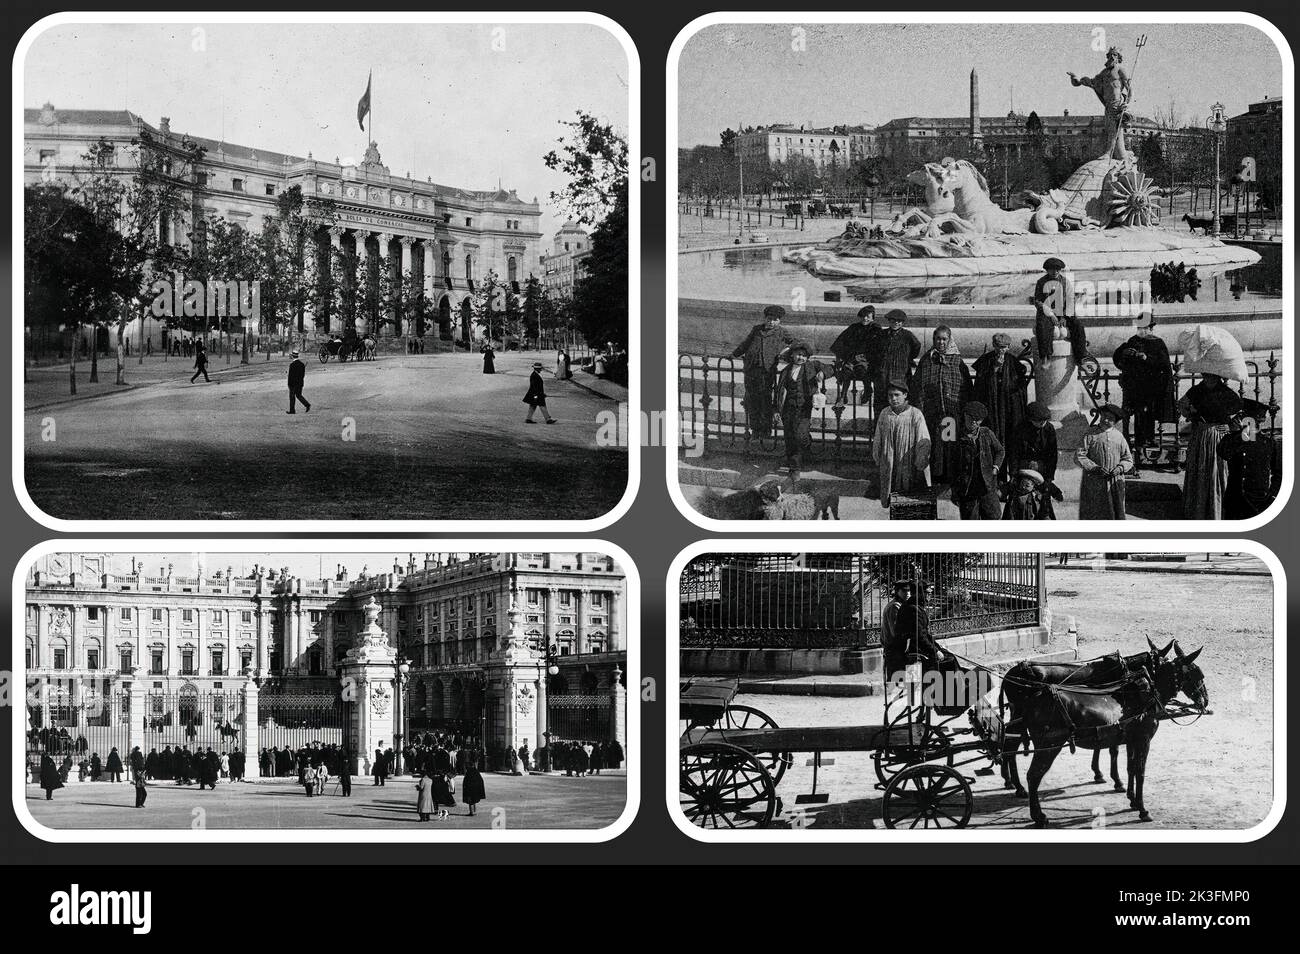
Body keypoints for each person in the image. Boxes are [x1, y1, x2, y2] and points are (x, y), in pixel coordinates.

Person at [912, 324, 971, 484]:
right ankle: (935, 476)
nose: (941, 342)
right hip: (931, 410)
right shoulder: (927, 359)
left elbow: (964, 384)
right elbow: (919, 383)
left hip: (950, 411)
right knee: (934, 443)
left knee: (949, 441)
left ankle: (949, 476)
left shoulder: (956, 360)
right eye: (938, 338)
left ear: (949, 339)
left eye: (944, 339)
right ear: (934, 339)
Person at [1179, 372, 1243, 519]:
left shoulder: (1227, 393)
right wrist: (1191, 414)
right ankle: (1199, 512)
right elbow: (1182, 405)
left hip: (1218, 438)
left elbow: (1239, 415)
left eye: (1211, 375)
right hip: (1201, 435)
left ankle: (1217, 511)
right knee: (1200, 470)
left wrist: (1229, 426)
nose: (1208, 377)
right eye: (1205, 374)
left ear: (1218, 375)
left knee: (1216, 471)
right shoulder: (1196, 390)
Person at [1113, 315, 1175, 465]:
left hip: (1153, 388)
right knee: (1139, 415)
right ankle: (1139, 447)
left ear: (1151, 328)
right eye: (1139, 328)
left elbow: (1164, 364)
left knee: (1149, 414)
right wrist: (1124, 353)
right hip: (1135, 387)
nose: (1141, 331)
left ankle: (1149, 440)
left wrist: (1147, 358)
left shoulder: (1158, 343)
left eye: (1145, 328)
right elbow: (1119, 359)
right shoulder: (1133, 341)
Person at [730, 304, 793, 437]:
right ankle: (755, 429)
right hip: (751, 370)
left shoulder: (782, 332)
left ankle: (765, 430)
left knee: (764, 400)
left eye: (775, 319)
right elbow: (745, 344)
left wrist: (786, 352)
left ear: (779, 321)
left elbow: (794, 343)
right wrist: (734, 354)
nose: (771, 322)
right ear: (765, 318)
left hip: (766, 371)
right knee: (751, 399)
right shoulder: (757, 329)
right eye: (769, 318)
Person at [971, 333, 1030, 475]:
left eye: (1004, 347)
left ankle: (1012, 480)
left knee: (1011, 444)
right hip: (991, 410)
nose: (1000, 350)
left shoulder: (1014, 364)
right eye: (998, 347)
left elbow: (1020, 389)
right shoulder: (985, 362)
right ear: (993, 345)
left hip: (1008, 412)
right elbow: (979, 387)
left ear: (1008, 347)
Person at [1217, 399, 1282, 520]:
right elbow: (1223, 452)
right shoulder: (1235, 439)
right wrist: (1236, 434)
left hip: (1259, 503)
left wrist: (1272, 497)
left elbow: (1279, 474)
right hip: (1235, 502)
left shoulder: (1269, 443)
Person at [872, 380, 931, 507]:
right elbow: (878, 437)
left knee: (908, 497)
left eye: (897, 395)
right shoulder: (885, 413)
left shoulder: (915, 414)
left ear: (905, 395)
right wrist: (877, 455)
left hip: (908, 462)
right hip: (889, 462)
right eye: (890, 395)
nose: (893, 398)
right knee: (892, 495)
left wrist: (920, 460)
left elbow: (923, 439)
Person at [773, 342, 826, 479]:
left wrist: (822, 373)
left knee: (800, 436)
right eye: (798, 355)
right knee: (790, 437)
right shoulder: (786, 371)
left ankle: (806, 445)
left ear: (807, 357)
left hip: (803, 408)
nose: (800, 358)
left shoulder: (812, 366)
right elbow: (779, 391)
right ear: (792, 355)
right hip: (788, 408)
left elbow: (829, 368)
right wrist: (776, 410)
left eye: (803, 356)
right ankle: (794, 467)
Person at [1077, 404, 1135, 519]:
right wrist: (1094, 468)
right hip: (1094, 480)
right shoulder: (1090, 434)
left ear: (1116, 422)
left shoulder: (1119, 437)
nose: (1106, 420)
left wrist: (1120, 468)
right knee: (1095, 510)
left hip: (1114, 481)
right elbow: (1079, 456)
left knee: (1114, 510)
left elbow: (1128, 459)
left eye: (1110, 419)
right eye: (1104, 417)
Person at [950, 401, 1005, 520]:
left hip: (987, 486)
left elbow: (1000, 451)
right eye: (970, 418)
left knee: (993, 516)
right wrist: (955, 491)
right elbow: (953, 467)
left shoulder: (987, 433)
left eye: (977, 420)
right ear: (964, 416)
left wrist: (996, 467)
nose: (973, 422)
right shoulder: (957, 438)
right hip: (968, 489)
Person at [1032, 258, 1088, 364]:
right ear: (1047, 270)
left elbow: (1071, 300)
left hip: (1063, 312)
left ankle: (1081, 357)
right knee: (1042, 326)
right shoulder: (1041, 282)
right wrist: (1051, 314)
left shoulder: (1065, 282)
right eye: (1052, 269)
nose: (1055, 272)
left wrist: (1063, 317)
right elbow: (1038, 301)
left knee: (1078, 326)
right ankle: (1045, 355)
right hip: (1047, 313)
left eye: (1057, 269)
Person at [828, 305, 885, 405]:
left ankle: (867, 390)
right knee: (846, 371)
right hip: (852, 357)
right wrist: (844, 355)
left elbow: (879, 346)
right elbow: (840, 341)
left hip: (867, 358)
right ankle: (843, 395)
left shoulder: (876, 329)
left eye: (868, 316)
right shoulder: (854, 327)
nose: (865, 318)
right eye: (863, 316)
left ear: (873, 317)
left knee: (862, 370)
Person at [874, 310, 922, 413]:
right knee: (881, 404)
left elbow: (916, 347)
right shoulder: (882, 335)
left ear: (902, 323)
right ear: (889, 321)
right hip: (883, 376)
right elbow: (875, 351)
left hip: (900, 375)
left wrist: (906, 358)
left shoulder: (907, 336)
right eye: (893, 320)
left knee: (898, 404)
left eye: (899, 321)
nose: (896, 323)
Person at [1010, 401, 1059, 490]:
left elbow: (1053, 455)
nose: (1042, 423)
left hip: (1042, 468)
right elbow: (1014, 453)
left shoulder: (1049, 429)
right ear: (1030, 419)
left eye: (1044, 420)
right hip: (1024, 468)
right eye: (1039, 421)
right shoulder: (1020, 429)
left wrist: (1049, 477)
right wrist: (1014, 474)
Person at [286, 349, 311, 414]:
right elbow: (302, 375)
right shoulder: (302, 364)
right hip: (300, 383)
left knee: (292, 397)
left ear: (292, 356)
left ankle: (292, 410)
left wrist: (289, 384)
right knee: (299, 395)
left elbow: (290, 376)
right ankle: (307, 405)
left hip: (293, 384)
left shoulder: (292, 365)